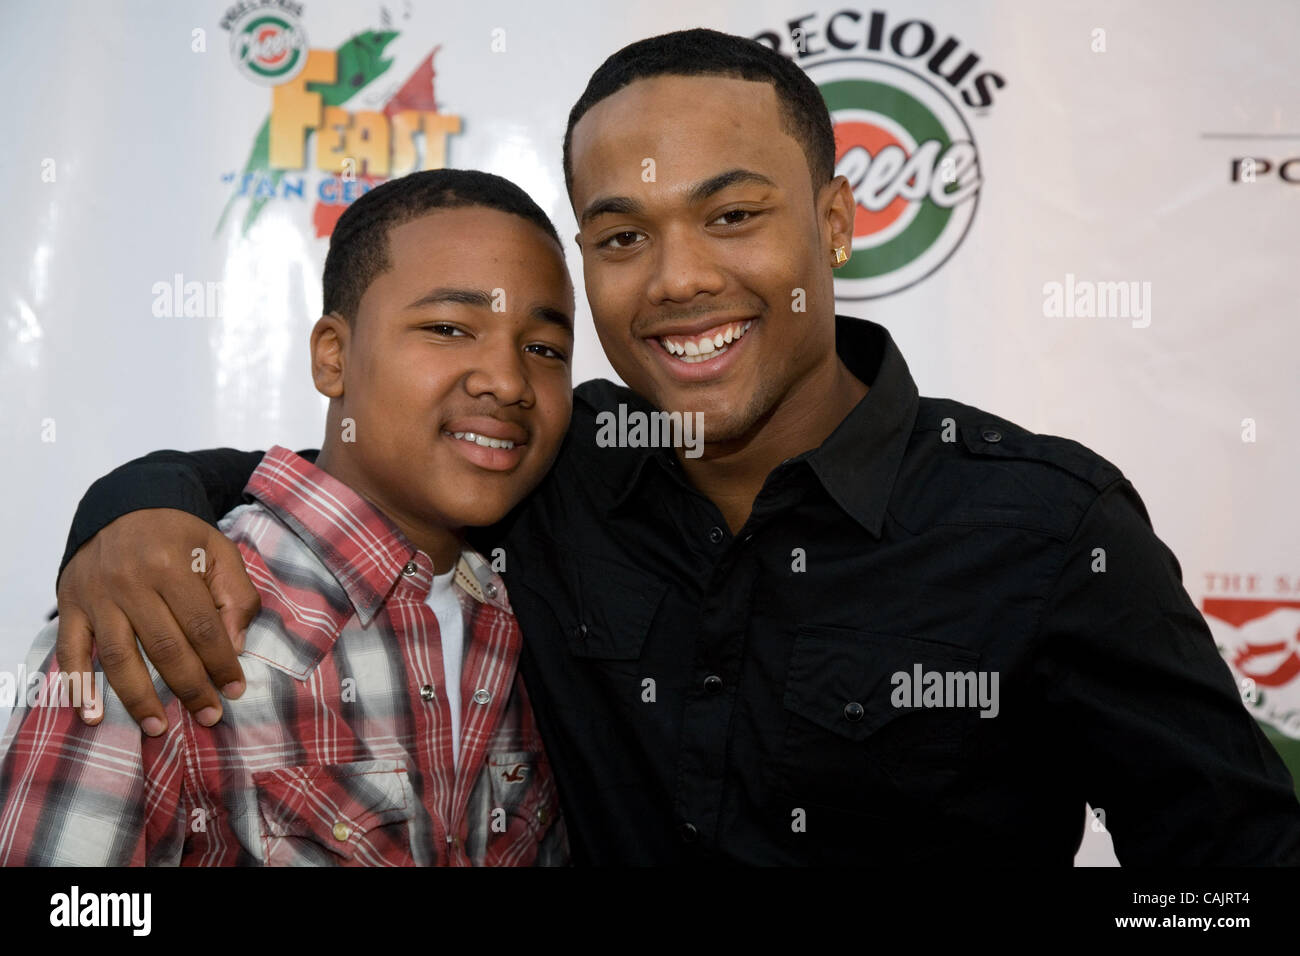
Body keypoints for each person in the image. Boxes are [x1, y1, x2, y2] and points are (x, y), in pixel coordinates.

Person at [50, 30, 1300, 865]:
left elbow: (1236, 872)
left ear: (834, 222)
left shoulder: (1045, 527)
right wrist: (132, 511)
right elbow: (338, 474)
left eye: (734, 215)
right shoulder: (553, 470)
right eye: (622, 235)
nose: (681, 280)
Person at [0, 169, 574, 865]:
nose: (508, 381)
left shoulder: (544, 615)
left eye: (544, 349)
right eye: (448, 328)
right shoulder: (160, 615)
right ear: (333, 357)